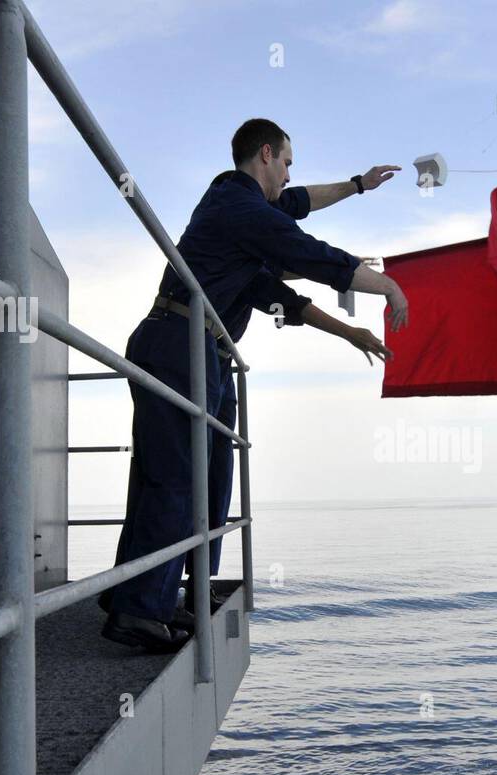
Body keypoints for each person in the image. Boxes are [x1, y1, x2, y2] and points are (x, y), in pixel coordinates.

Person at [102, 119, 407, 651]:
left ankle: (172, 591)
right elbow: (306, 250)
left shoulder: (252, 221)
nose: (290, 176)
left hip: (209, 354)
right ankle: (137, 609)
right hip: (178, 342)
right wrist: (385, 285)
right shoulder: (235, 205)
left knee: (214, 481)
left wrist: (358, 186)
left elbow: (290, 268)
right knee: (175, 478)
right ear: (266, 155)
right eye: (287, 163)